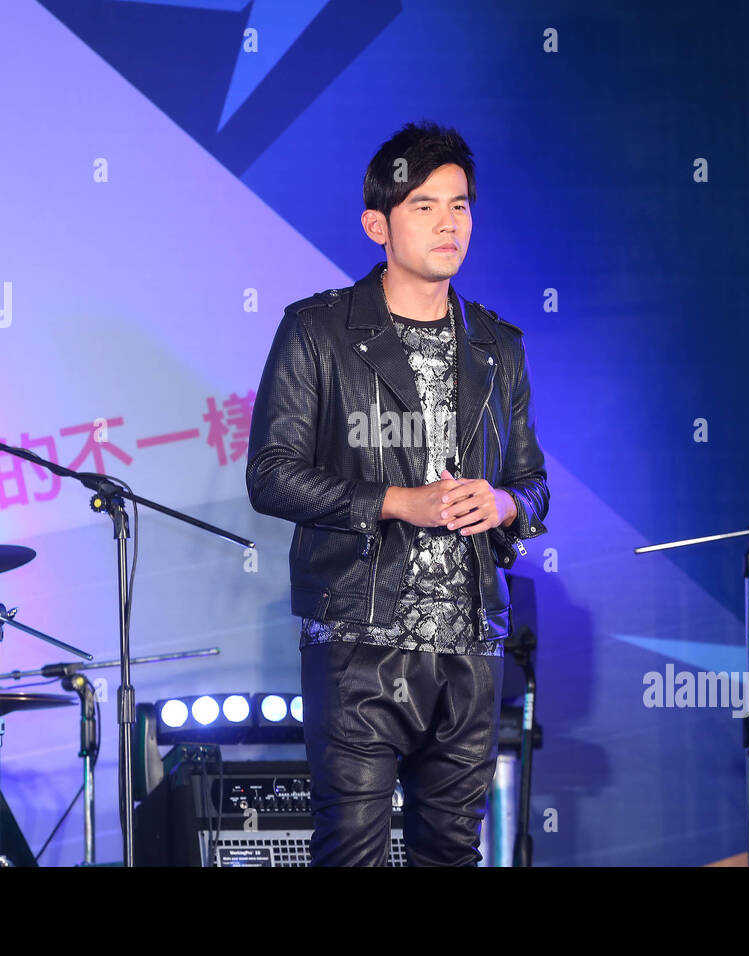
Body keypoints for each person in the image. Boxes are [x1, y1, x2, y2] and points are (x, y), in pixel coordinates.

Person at [246, 120, 548, 866]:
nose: (449, 222)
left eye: (461, 205)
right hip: (358, 637)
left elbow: (534, 484)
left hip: (472, 643)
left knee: (452, 852)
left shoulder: (497, 345)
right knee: (352, 850)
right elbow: (271, 473)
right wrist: (393, 501)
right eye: (425, 206)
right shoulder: (316, 331)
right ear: (376, 223)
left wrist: (504, 505)